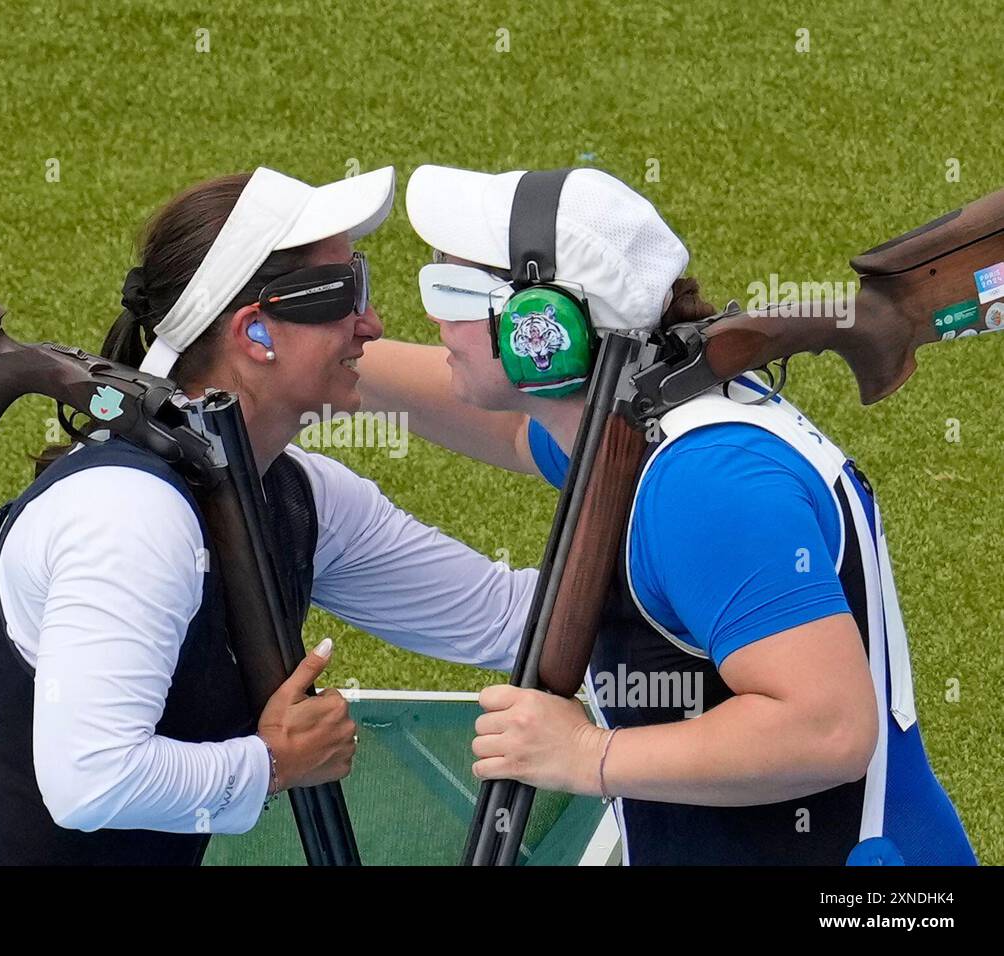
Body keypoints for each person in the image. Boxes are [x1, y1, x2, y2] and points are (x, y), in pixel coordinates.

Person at [0, 166, 541, 866]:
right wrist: (274, 763)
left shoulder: (297, 492)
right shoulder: (130, 517)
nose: (372, 323)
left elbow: (508, 619)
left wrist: (630, 475)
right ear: (255, 332)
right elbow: (92, 780)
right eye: (347, 294)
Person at [357, 163, 976, 865]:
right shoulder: (631, 420)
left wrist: (588, 754)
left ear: (546, 329)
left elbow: (825, 728)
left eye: (452, 289)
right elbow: (505, 428)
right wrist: (319, 359)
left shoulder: (703, 484)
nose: (436, 316)